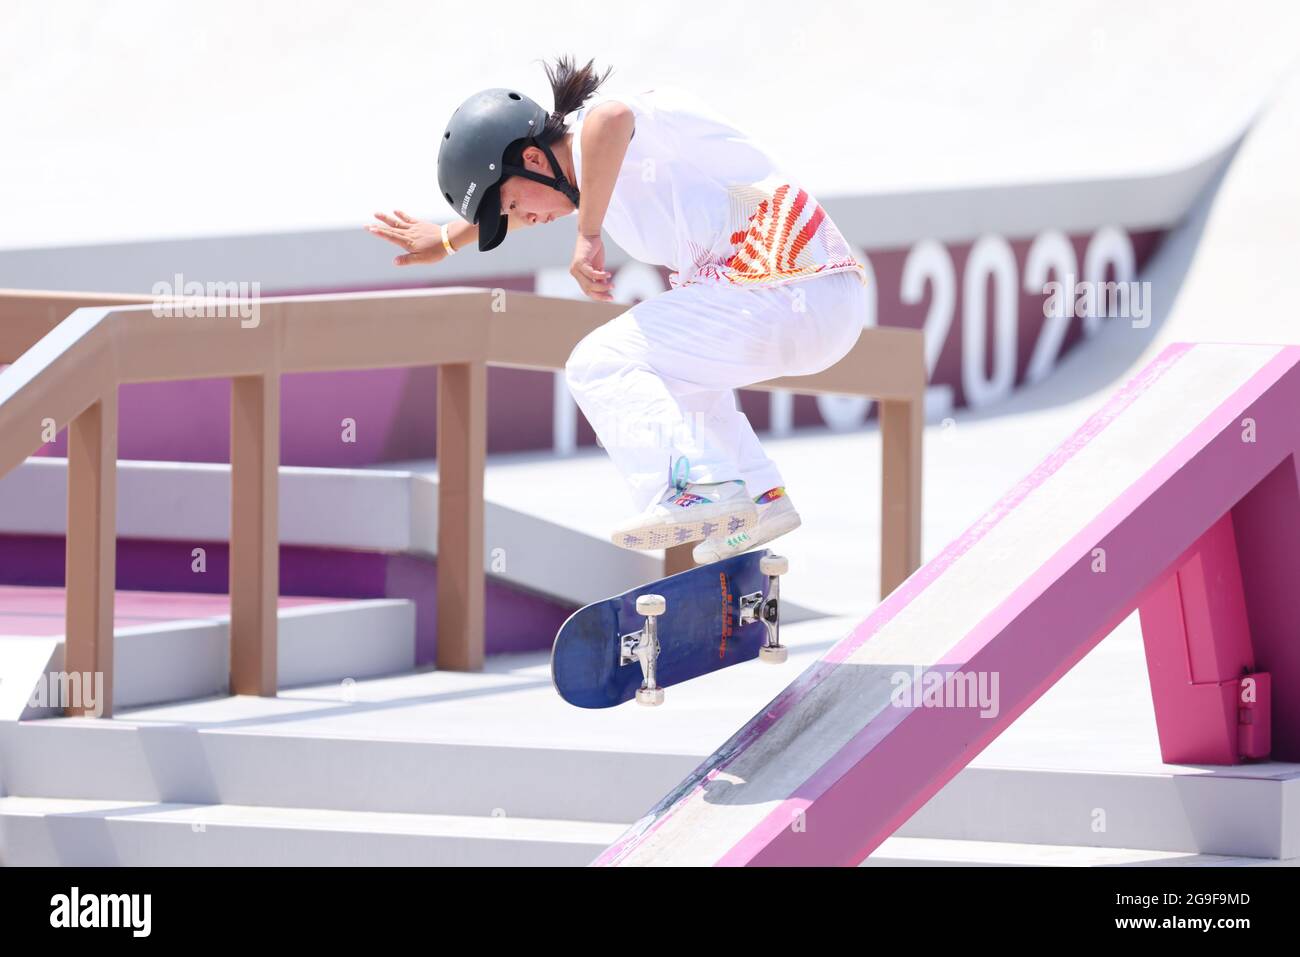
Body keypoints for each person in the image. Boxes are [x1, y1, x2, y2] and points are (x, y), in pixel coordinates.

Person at [366, 55, 869, 563]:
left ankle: (692, 489)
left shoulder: (605, 130)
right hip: (813, 301)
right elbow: (556, 190)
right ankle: (759, 497)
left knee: (599, 361)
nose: (529, 221)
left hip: (790, 288)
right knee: (672, 379)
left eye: (515, 207)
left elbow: (610, 122)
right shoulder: (593, 177)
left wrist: (587, 236)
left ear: (535, 160)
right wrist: (449, 241)